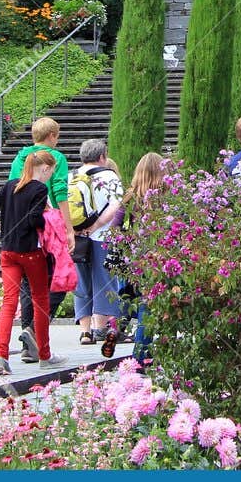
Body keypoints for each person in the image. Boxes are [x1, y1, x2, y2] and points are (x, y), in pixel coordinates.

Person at [0, 149, 66, 376]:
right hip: (31, 252)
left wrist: (0, 229)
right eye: (51, 172)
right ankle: (45, 356)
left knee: (9, 303)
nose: (50, 177)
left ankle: (2, 356)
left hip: (7, 252)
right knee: (41, 301)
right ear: (46, 168)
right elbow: (33, 220)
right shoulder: (39, 189)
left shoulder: (10, 185)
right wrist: (48, 217)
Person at [9, 118, 71, 357]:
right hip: (48, 225)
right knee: (58, 281)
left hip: (21, 225)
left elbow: (12, 188)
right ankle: (34, 332)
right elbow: (60, 192)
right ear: (53, 136)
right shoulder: (56, 158)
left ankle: (28, 345)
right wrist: (68, 229)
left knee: (28, 284)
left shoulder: (19, 158)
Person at [69, 139, 125, 354]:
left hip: (77, 237)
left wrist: (74, 231)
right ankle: (101, 327)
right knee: (104, 280)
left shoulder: (71, 176)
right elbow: (116, 206)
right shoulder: (109, 175)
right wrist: (96, 226)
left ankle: (85, 331)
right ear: (103, 156)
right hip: (102, 236)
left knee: (81, 282)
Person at [117, 152, 168, 365]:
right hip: (162, 256)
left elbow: (115, 228)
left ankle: (123, 330)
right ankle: (141, 354)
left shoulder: (130, 196)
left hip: (136, 257)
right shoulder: (167, 196)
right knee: (152, 304)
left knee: (140, 302)